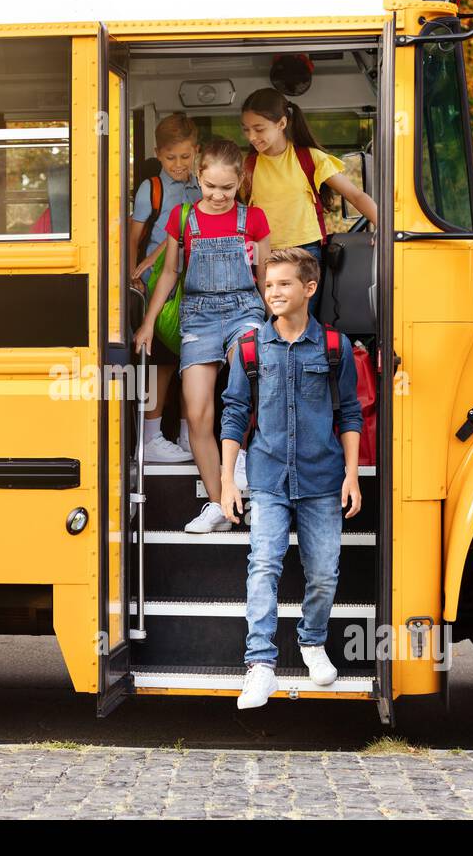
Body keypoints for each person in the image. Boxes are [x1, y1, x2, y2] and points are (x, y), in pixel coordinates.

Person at [219, 247, 363, 708]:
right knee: (264, 566)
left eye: (284, 284)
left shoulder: (335, 348)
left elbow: (350, 414)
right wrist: (226, 481)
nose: (274, 292)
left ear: (309, 288)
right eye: (268, 284)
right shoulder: (248, 347)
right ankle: (260, 663)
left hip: (323, 479)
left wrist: (352, 476)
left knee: (323, 573)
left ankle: (312, 641)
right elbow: (235, 414)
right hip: (266, 478)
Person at [133, 138, 270, 533]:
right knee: (196, 412)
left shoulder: (254, 220)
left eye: (227, 188)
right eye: (211, 187)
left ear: (240, 181)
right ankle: (218, 505)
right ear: (199, 177)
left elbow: (264, 278)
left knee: (247, 372)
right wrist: (148, 323)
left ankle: (238, 459)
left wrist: (281, 323)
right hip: (199, 317)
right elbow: (172, 274)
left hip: (245, 311)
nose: (219, 196)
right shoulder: (181, 217)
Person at [240, 88, 377, 319]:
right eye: (246, 130)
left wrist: (386, 229)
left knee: (299, 323)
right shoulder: (249, 166)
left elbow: (356, 196)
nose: (252, 137)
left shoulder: (309, 158)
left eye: (259, 128)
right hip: (264, 255)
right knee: (269, 324)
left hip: (305, 253)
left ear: (281, 123)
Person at [129, 114, 202, 462]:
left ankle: (191, 434)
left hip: (195, 281)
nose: (178, 164)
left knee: (194, 359)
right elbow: (134, 237)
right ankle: (152, 436)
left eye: (185, 157)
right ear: (158, 154)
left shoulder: (202, 185)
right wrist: (134, 275)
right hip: (158, 283)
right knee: (161, 362)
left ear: (197, 153)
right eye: (171, 157)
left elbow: (191, 224)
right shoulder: (151, 189)